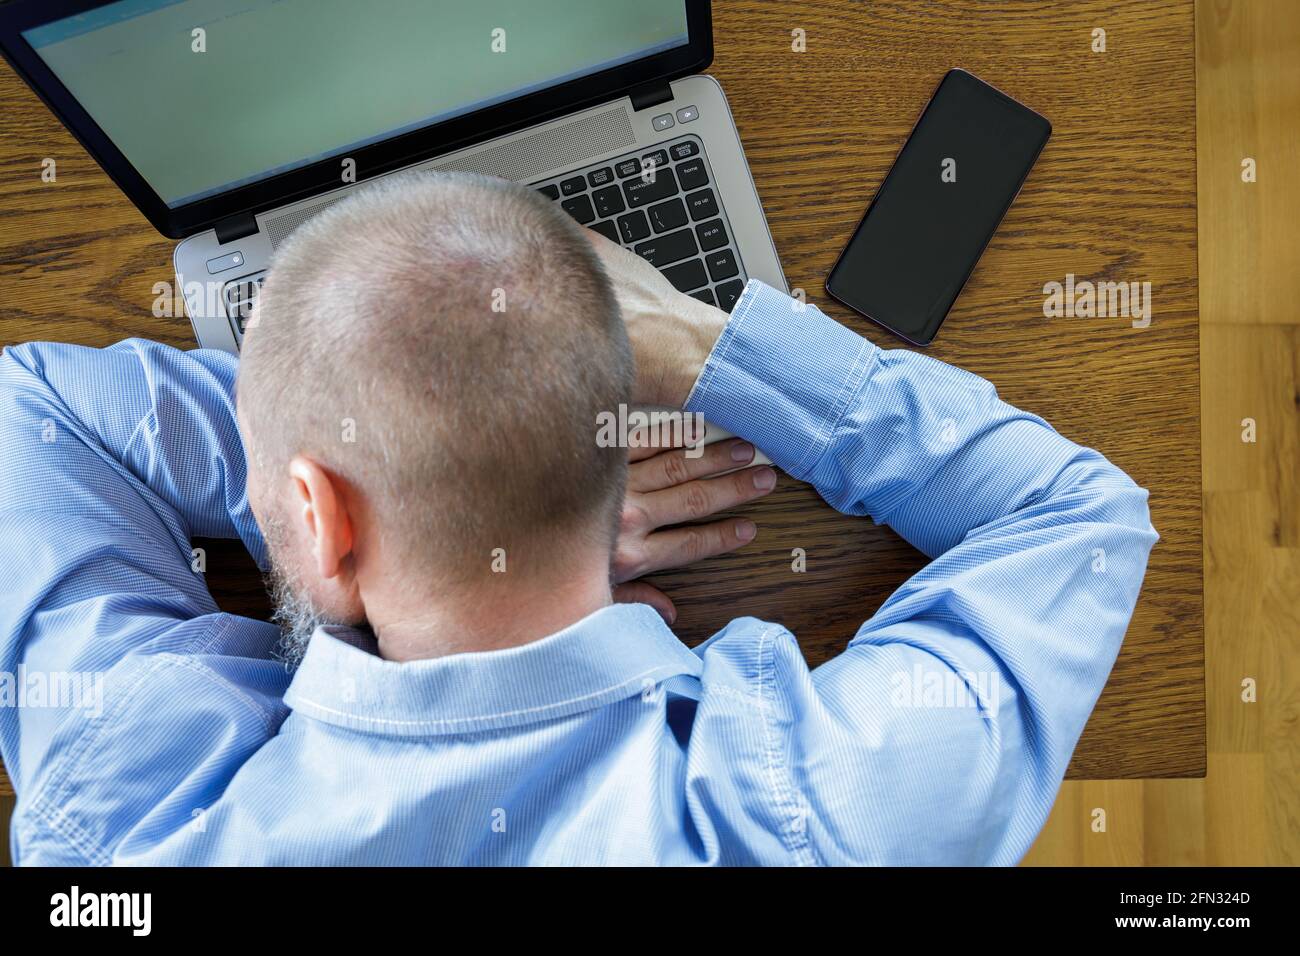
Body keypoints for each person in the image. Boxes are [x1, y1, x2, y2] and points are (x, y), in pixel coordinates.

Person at [0, 172, 1156, 865]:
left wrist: (407, 477)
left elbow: (28, 411)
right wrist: (708, 350)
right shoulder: (828, 812)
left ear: (319, 516)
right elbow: (1075, 516)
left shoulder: (126, 832)